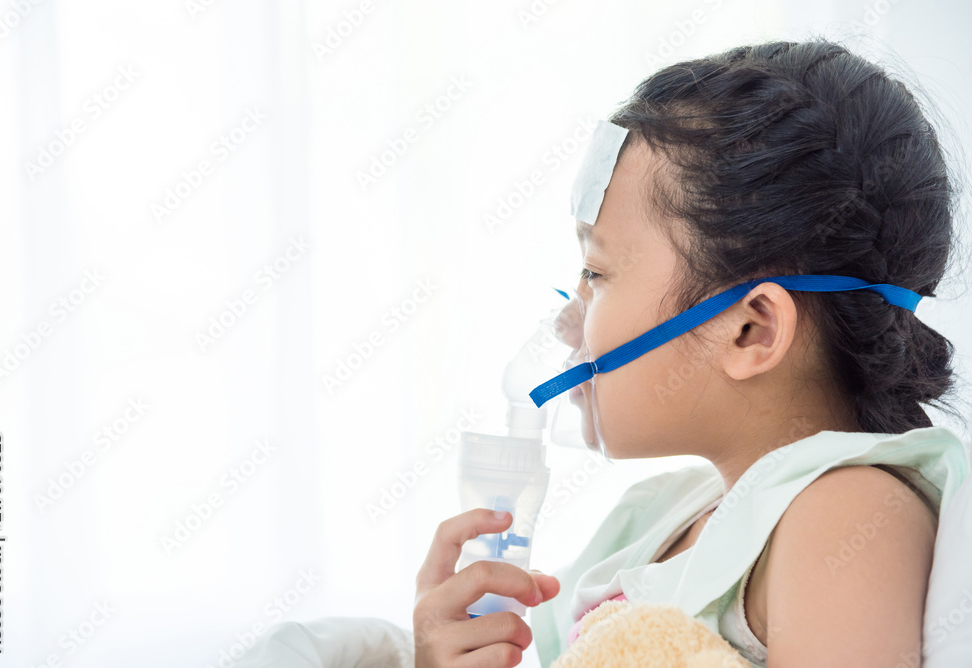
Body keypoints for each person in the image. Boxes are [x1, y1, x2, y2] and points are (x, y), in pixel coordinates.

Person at [413, 38, 971, 668]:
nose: (568, 320)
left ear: (751, 331)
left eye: (597, 273)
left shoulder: (847, 513)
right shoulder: (649, 521)